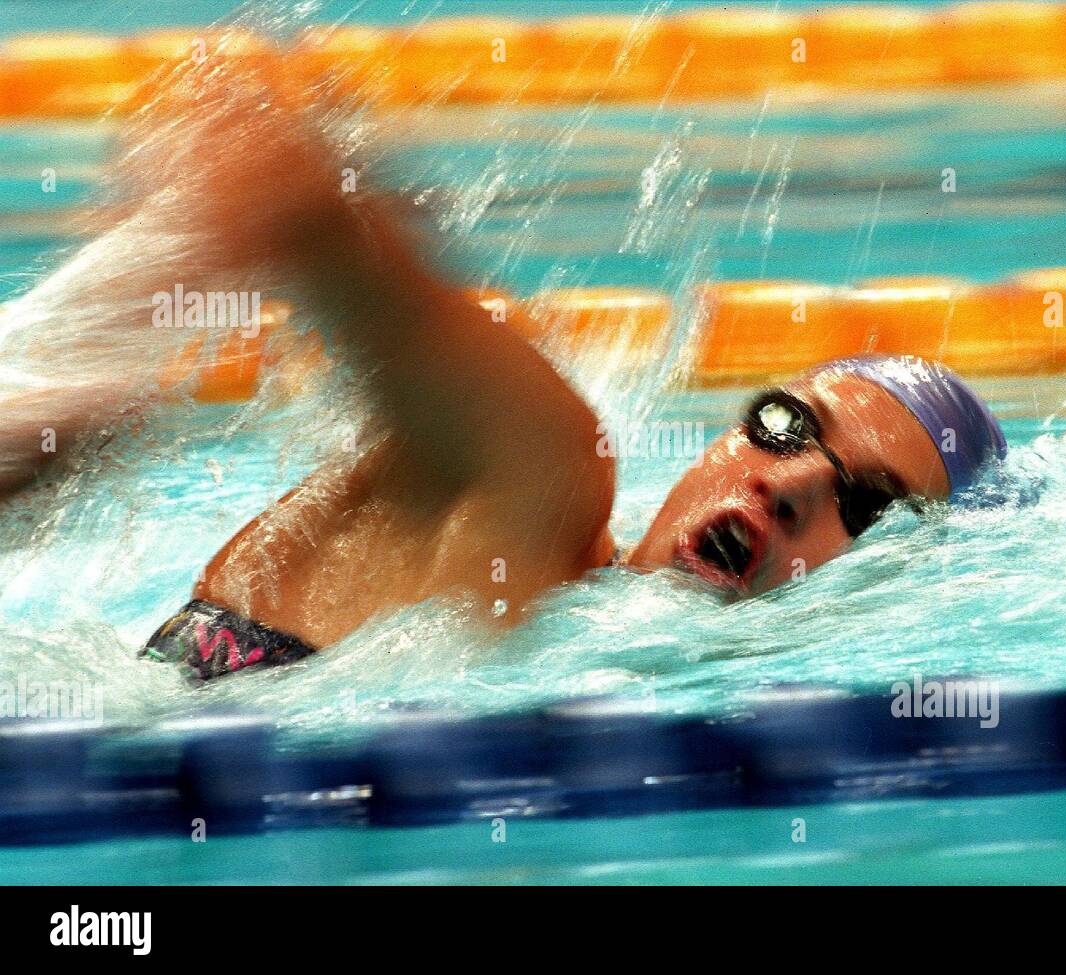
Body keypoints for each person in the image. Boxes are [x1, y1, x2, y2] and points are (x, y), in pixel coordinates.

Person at [0, 81, 1005, 681]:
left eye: (866, 505)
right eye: (784, 424)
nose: (788, 484)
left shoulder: (585, 666)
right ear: (721, 437)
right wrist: (58, 383)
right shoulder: (542, 473)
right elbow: (278, 174)